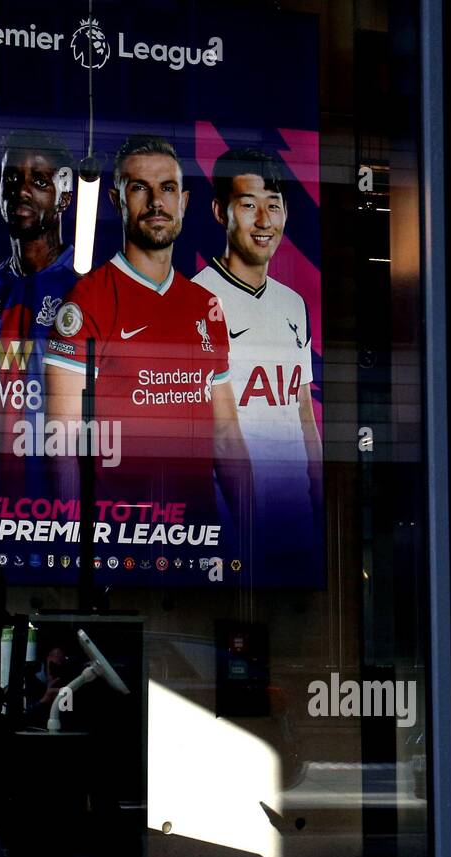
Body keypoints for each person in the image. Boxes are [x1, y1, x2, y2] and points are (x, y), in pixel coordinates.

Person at [43, 134, 252, 534]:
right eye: (140, 187)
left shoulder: (205, 306)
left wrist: (252, 541)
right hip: (118, 538)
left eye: (167, 188)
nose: (156, 202)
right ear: (116, 200)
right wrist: (72, 541)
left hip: (196, 540)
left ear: (184, 203)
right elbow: (63, 442)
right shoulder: (89, 298)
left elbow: (227, 438)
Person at [192, 147, 323, 566]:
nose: (264, 221)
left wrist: (322, 505)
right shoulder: (196, 299)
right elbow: (216, 436)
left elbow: (304, 413)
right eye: (249, 205)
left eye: (274, 206)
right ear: (220, 211)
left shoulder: (294, 304)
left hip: (298, 523)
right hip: (236, 530)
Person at [0, 129, 78, 502]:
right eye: (11, 178)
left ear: (64, 198)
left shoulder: (90, 289)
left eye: (39, 180)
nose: (21, 190)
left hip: (65, 510)